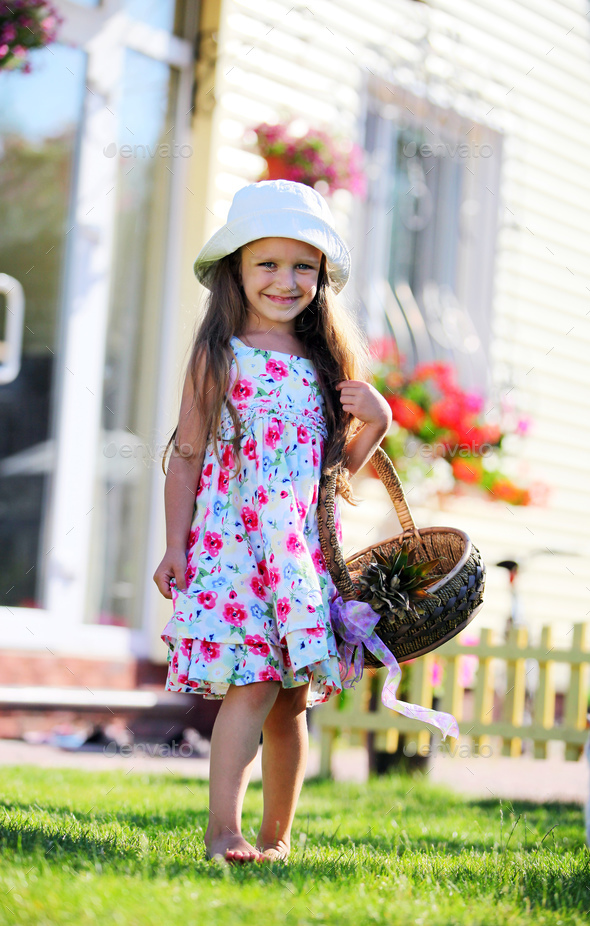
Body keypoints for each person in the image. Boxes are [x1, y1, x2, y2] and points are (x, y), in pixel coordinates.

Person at [153, 179, 392, 864]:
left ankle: (276, 839)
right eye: (268, 263)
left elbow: (334, 475)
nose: (285, 281)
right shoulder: (220, 356)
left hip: (299, 552)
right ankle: (223, 831)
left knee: (292, 700)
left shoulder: (325, 365)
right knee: (253, 683)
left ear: (321, 277)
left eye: (303, 267)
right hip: (233, 546)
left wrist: (376, 423)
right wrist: (175, 546)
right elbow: (188, 456)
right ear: (236, 269)